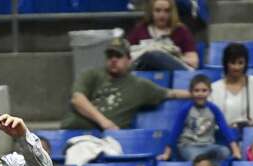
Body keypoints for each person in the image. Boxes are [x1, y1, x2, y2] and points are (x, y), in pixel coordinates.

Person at [61, 37, 189, 131]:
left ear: (129, 60)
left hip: (109, 140)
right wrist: (105, 122)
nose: (113, 60)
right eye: (110, 56)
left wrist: (201, 92)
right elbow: (77, 100)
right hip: (75, 131)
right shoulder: (92, 74)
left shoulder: (139, 85)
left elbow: (171, 93)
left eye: (118, 55)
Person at [159, 74, 241, 162]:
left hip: (208, 146)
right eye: (196, 90)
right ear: (191, 92)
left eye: (204, 90)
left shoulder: (214, 109)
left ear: (209, 92)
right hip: (188, 146)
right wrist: (167, 153)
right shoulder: (186, 109)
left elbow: (225, 129)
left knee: (224, 151)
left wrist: (236, 151)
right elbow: (176, 130)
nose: (200, 94)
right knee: (195, 158)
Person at [210, 42, 253, 128]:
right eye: (232, 62)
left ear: (246, 64)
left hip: (252, 136)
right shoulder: (213, 88)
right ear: (225, 63)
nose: (236, 67)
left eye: (240, 63)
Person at [126, 0, 198, 71]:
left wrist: (172, 56)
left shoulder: (181, 30)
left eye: (167, 11)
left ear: (172, 12)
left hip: (174, 73)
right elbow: (126, 56)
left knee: (155, 55)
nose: (162, 15)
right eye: (158, 10)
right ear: (151, 12)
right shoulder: (140, 29)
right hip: (144, 70)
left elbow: (194, 62)